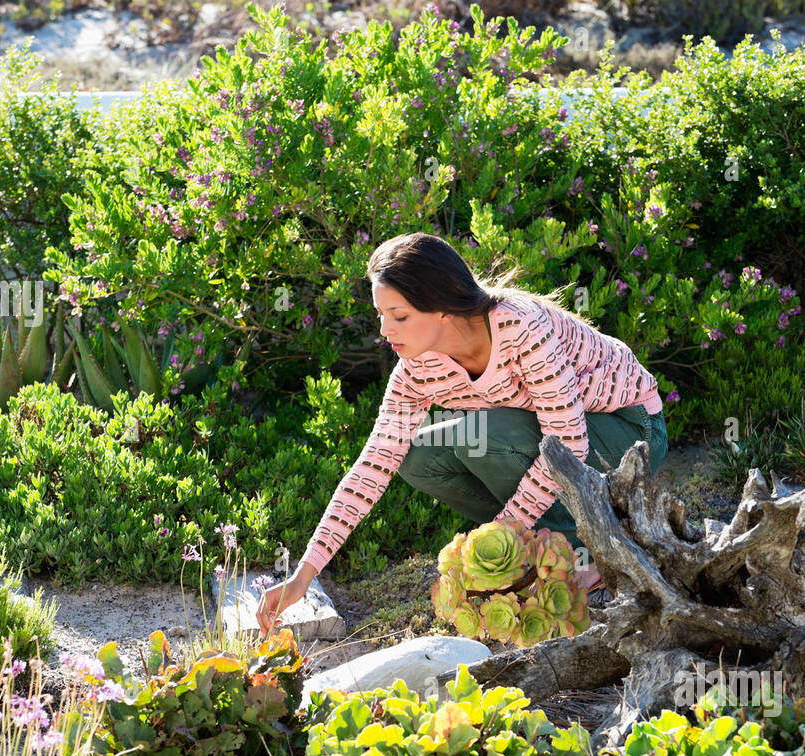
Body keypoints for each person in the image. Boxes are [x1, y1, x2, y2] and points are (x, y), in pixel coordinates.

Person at [255, 232, 668, 636]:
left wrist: (498, 538)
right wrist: (303, 574)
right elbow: (374, 464)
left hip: (628, 427)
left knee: (484, 435)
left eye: (399, 316)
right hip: (548, 438)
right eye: (381, 315)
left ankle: (588, 552)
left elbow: (569, 441)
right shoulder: (417, 368)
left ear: (444, 309)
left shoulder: (520, 326)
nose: (385, 330)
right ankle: (541, 543)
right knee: (418, 455)